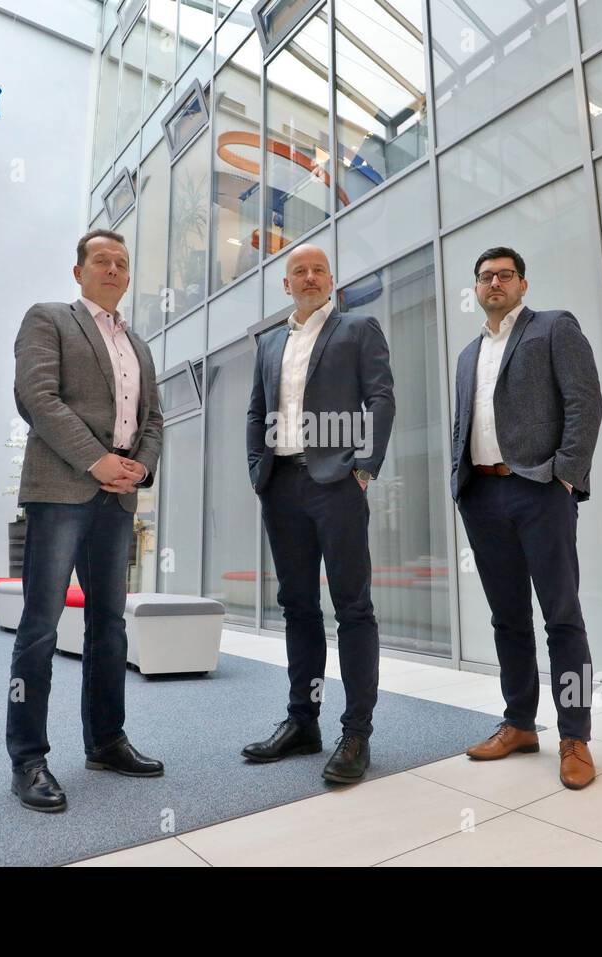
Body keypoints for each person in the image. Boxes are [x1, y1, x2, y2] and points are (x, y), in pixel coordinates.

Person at [6, 228, 163, 812]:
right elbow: (37, 397)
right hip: (62, 489)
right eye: (103, 260)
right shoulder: (48, 319)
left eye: (123, 262)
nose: (114, 269)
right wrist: (96, 461)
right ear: (79, 271)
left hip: (116, 499)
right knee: (41, 625)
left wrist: (136, 471)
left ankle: (106, 740)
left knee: (110, 626)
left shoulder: (139, 346)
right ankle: (28, 757)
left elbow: (154, 420)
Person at [451, 246, 602, 790]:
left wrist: (565, 474)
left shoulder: (554, 327)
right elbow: (462, 422)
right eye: (486, 277)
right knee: (506, 618)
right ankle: (519, 723)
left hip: (540, 489)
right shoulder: (469, 354)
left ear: (523, 284)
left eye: (505, 275)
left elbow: (585, 402)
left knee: (561, 616)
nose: (495, 283)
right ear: (476, 289)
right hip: (483, 496)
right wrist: (458, 482)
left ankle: (575, 736)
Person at [243, 244, 395, 784]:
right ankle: (303, 722)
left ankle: (356, 732)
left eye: (318, 270)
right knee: (298, 607)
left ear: (331, 280)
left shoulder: (357, 329)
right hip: (281, 485)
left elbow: (381, 398)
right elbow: (257, 410)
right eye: (298, 272)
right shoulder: (268, 343)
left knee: (352, 606)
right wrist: (258, 469)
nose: (309, 277)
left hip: (337, 483)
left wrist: (365, 467)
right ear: (286, 285)